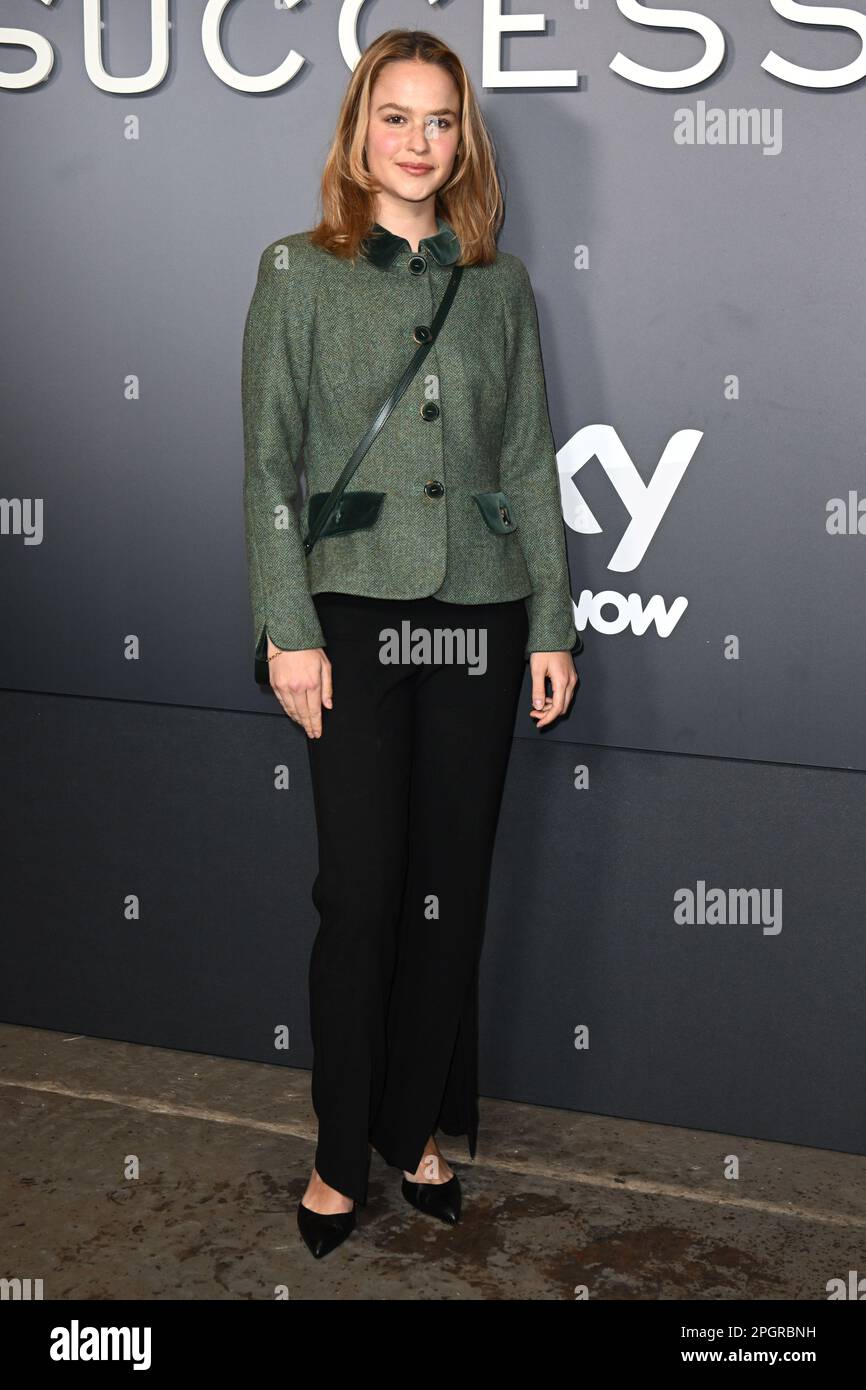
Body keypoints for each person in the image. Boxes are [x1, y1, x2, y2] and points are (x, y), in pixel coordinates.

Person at [241, 27, 581, 1259]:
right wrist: (287, 624)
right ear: (357, 129)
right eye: (397, 116)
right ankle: (340, 1148)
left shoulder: (499, 284)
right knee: (363, 889)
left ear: (463, 140)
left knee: (452, 894)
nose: (420, 142)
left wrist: (550, 619)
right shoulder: (298, 271)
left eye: (441, 121)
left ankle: (417, 1129)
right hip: (351, 616)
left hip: (481, 616)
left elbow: (530, 462)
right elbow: (269, 463)